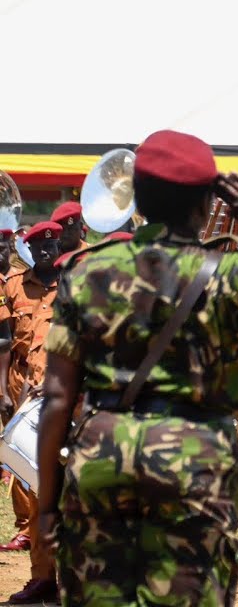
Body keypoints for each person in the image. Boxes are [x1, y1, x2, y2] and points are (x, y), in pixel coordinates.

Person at [39, 129, 238, 605]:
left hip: (102, 460)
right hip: (193, 466)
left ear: (138, 201)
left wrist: (48, 505)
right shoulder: (235, 274)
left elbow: (58, 399)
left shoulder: (88, 271)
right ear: (204, 204)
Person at [0, 222, 62, 603]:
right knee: (35, 488)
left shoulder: (74, 285)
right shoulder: (15, 285)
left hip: (68, 398)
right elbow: (9, 342)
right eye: (37, 246)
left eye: (50, 244)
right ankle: (43, 578)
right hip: (27, 394)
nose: (45, 252)